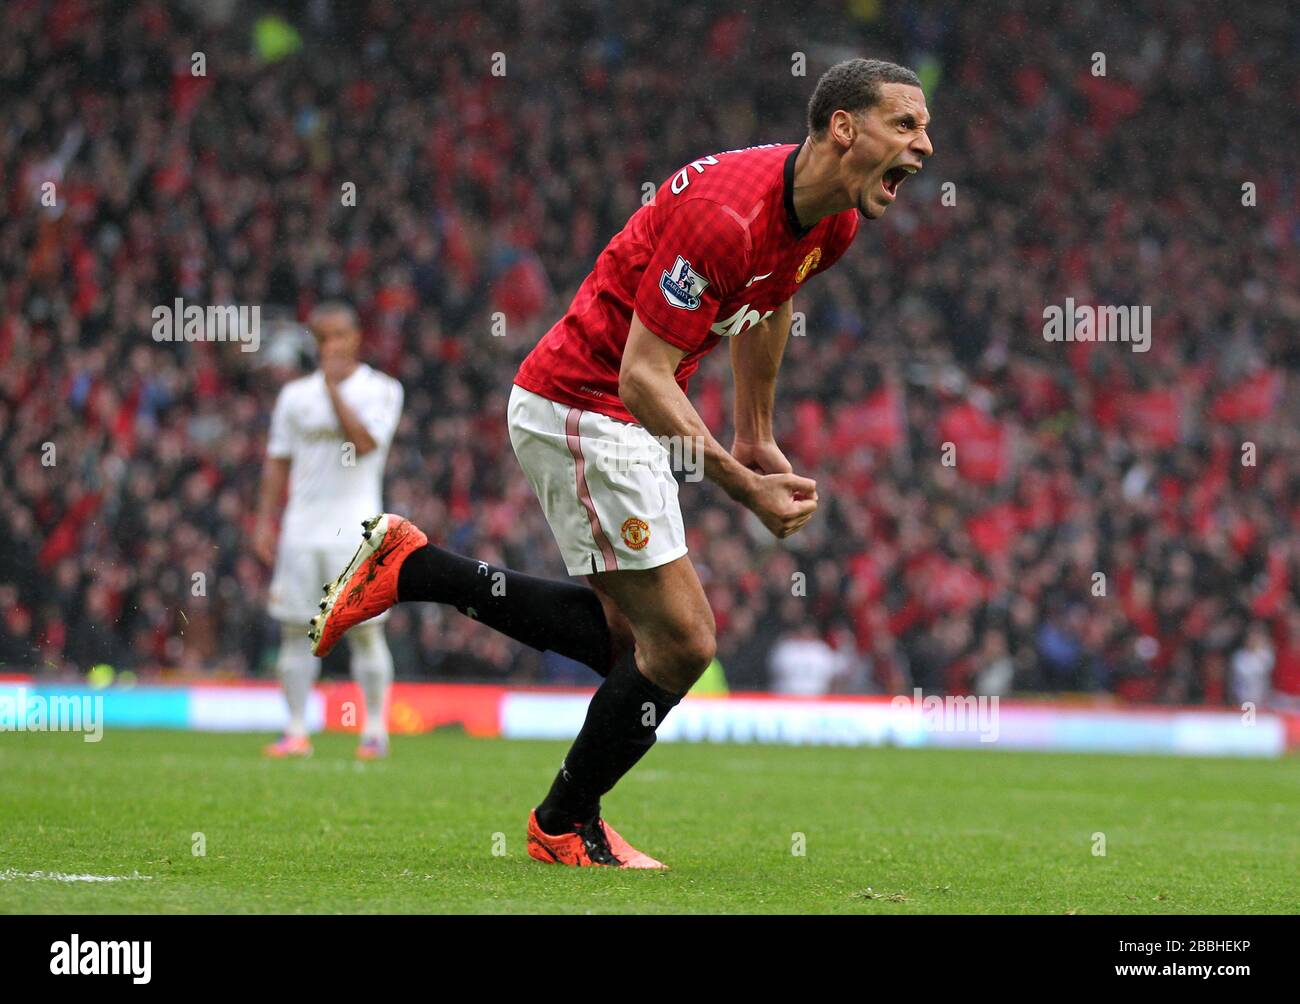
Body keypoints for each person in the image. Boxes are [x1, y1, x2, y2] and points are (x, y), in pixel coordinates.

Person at [309, 59, 932, 865]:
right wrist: (744, 487)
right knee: (683, 645)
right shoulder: (724, 216)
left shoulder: (833, 218)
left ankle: (416, 568)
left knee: (630, 642)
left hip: (624, 409)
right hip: (585, 402)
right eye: (906, 125)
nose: (923, 146)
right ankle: (563, 822)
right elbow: (640, 376)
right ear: (845, 128)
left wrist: (755, 430)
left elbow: (770, 299)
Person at [255, 302, 404, 759]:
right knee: (296, 630)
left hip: (357, 531)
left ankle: (374, 730)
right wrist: (264, 519)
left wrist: (336, 392)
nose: (332, 346)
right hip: (301, 529)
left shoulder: (382, 390)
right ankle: (297, 730)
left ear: (357, 337)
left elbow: (362, 443)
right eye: (323, 338)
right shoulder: (294, 396)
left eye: (339, 336)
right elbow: (278, 461)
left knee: (364, 631)